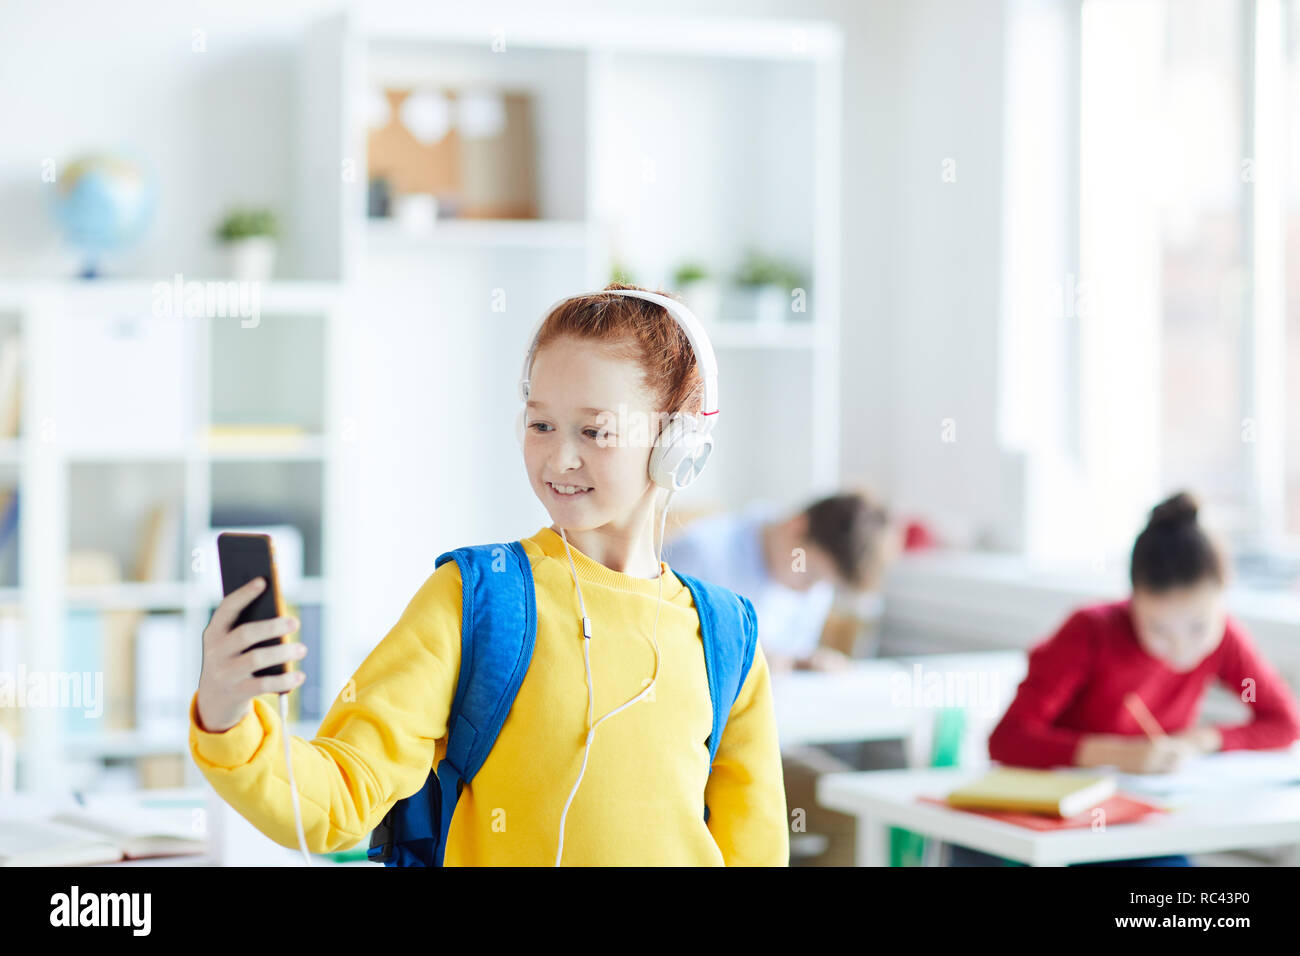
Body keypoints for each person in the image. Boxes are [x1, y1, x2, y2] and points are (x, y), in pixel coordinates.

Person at [189, 283, 788, 865]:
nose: (560, 458)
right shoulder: (478, 600)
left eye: (595, 431)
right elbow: (338, 799)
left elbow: (756, 851)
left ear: (677, 442)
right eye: (540, 424)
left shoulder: (726, 635)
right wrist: (227, 717)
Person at [950, 490, 1300, 866]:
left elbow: (1284, 722)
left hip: (1136, 824)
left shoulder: (1225, 638)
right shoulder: (1090, 632)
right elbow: (1008, 739)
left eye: (1198, 627)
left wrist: (1201, 740)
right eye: (1158, 629)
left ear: (1223, 598)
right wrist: (1121, 756)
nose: (1180, 647)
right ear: (1133, 600)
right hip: (1053, 823)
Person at [662, 491, 894, 673]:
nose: (810, 589)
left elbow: (789, 654)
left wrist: (802, 663)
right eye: (811, 574)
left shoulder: (813, 590)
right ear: (797, 526)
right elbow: (662, 645)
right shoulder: (700, 552)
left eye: (823, 583)